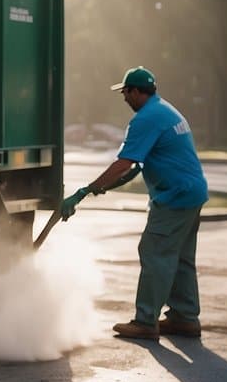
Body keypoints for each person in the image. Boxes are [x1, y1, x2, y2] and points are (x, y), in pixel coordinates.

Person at [60, 66, 209, 341]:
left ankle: (145, 321)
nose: (124, 98)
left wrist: (85, 190)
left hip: (175, 196)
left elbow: (124, 163)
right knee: (181, 258)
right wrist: (99, 188)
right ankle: (184, 317)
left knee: (155, 252)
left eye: (126, 92)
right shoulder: (165, 110)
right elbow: (135, 167)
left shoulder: (146, 118)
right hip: (193, 192)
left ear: (137, 91)